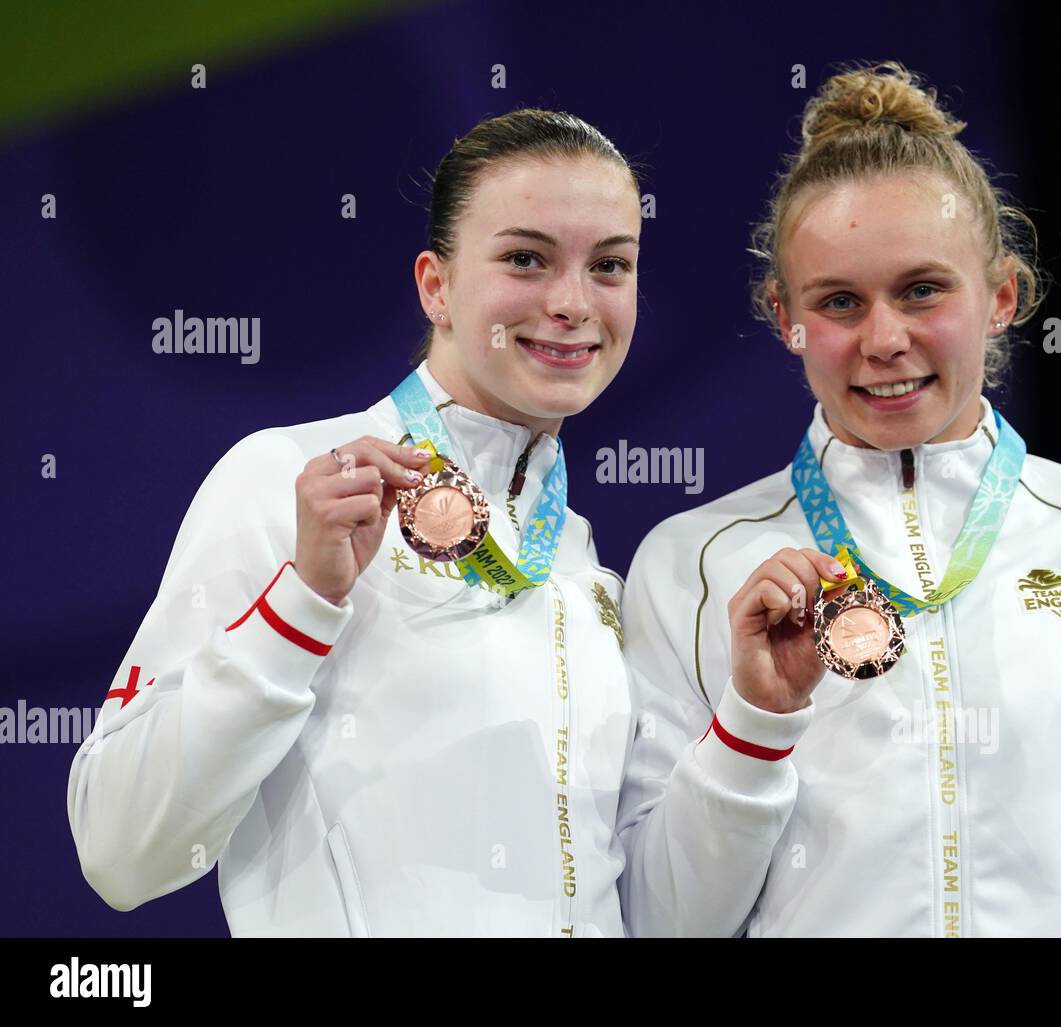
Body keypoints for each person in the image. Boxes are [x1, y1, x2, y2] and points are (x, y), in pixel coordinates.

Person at [615, 62, 1061, 937]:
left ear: (1002, 295)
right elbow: (659, 924)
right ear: (785, 316)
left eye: (922, 290)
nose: (885, 339)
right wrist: (755, 722)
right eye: (839, 302)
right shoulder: (695, 564)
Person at [67, 108, 642, 937]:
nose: (572, 302)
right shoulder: (287, 480)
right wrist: (301, 602)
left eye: (610, 265)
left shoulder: (582, 566)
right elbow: (119, 849)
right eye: (526, 258)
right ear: (436, 286)